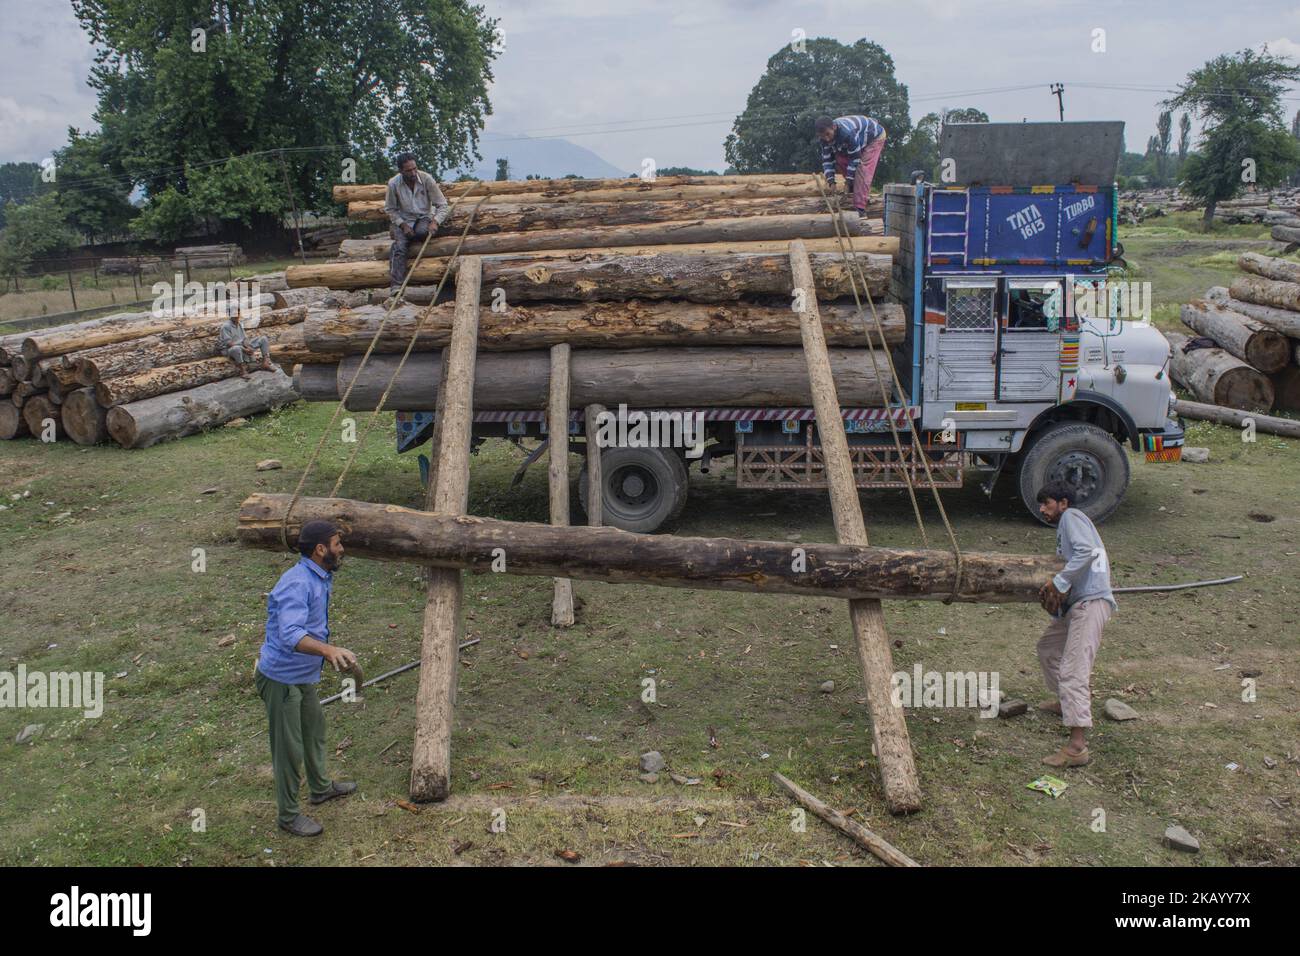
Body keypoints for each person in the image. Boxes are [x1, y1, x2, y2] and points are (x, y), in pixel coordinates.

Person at [255, 520, 359, 836]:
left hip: (302, 675)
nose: (342, 550)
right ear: (320, 549)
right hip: (281, 679)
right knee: (289, 749)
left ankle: (320, 788)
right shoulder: (297, 583)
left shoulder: (319, 576)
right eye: (337, 544)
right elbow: (290, 634)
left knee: (314, 731)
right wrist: (328, 650)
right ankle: (288, 816)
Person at [1034, 482, 1117, 768]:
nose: (1042, 509)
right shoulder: (1066, 525)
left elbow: (1088, 551)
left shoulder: (1072, 518)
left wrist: (1059, 582)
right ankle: (1065, 703)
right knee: (1047, 648)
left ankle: (1077, 747)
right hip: (1076, 605)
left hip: (1090, 603)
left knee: (1073, 671)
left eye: (1046, 503)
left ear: (1064, 503)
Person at [385, 152, 451, 294]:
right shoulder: (393, 184)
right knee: (400, 246)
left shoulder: (427, 179)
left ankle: (406, 241)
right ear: (401, 171)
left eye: (415, 168)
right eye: (409, 170)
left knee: (422, 232)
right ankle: (396, 286)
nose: (413, 172)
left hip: (424, 217)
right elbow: (390, 209)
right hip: (403, 219)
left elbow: (443, 205)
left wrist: (435, 221)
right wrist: (402, 225)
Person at [815, 115, 887, 218]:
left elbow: (854, 159)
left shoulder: (847, 133)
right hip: (858, 139)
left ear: (834, 127)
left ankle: (860, 208)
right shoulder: (824, 139)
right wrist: (831, 182)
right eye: (823, 136)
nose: (827, 139)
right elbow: (827, 160)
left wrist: (848, 182)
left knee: (863, 168)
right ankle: (854, 189)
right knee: (840, 160)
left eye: (828, 134)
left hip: (874, 137)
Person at [215, 310, 273, 378]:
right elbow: (229, 343)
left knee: (263, 339)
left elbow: (244, 339)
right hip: (229, 349)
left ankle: (265, 363)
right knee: (236, 348)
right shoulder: (226, 326)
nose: (236, 315)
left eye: (237, 313)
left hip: (241, 346)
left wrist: (248, 347)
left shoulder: (239, 324)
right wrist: (245, 349)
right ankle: (243, 371)